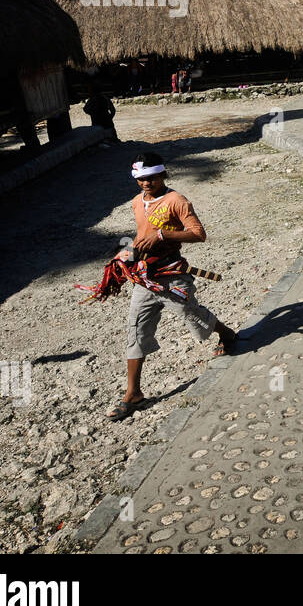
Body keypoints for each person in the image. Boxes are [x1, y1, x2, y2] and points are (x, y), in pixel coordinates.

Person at [107, 151, 238, 421]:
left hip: (172, 274)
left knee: (193, 315)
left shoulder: (176, 201)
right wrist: (127, 254)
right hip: (146, 278)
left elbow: (199, 234)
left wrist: (163, 235)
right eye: (140, 179)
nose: (145, 183)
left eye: (151, 178)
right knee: (136, 329)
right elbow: (142, 235)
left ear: (163, 174)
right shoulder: (136, 202)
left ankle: (227, 334)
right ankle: (133, 392)